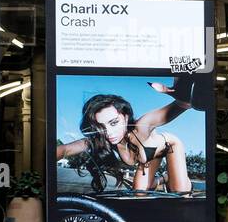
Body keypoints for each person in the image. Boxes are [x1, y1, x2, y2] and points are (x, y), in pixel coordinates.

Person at [55, 77, 204, 195]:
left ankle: (175, 181)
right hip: (147, 160)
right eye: (101, 127)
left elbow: (180, 106)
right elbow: (65, 149)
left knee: (180, 194)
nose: (108, 132)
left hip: (169, 146)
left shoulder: (141, 127)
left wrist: (183, 97)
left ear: (126, 117)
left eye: (114, 123)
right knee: (138, 195)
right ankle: (163, 178)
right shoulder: (102, 139)